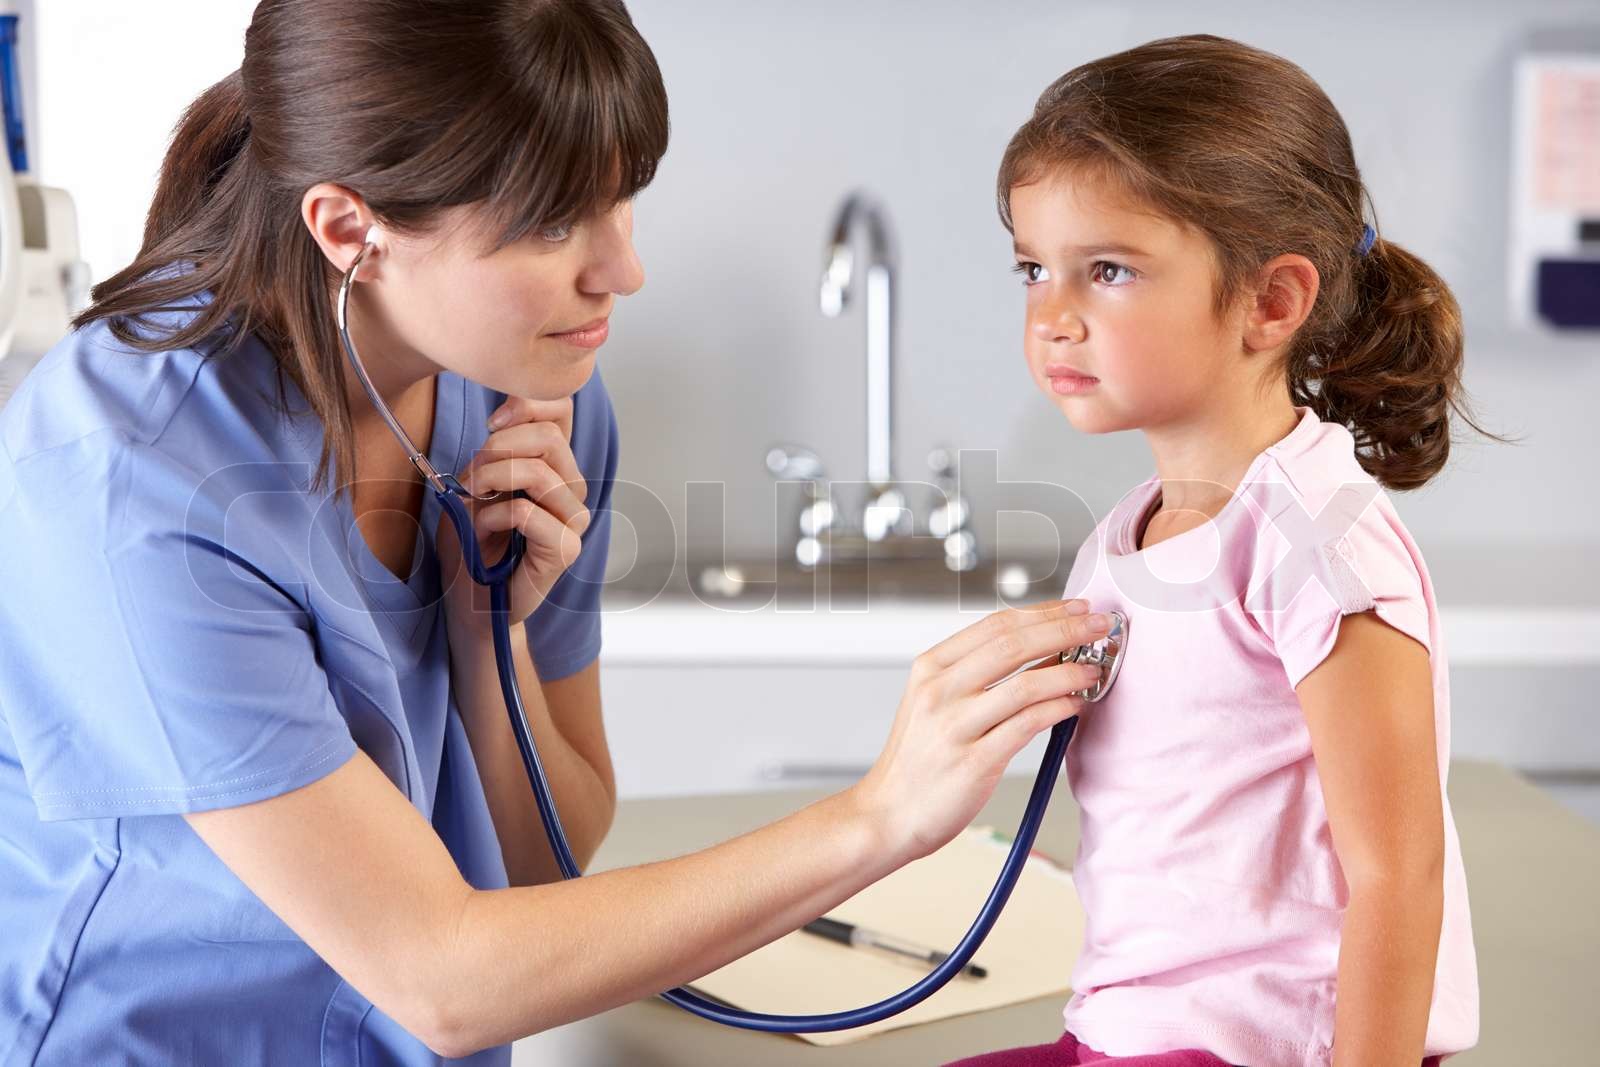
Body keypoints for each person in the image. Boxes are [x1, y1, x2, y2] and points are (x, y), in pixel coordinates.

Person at [0, 2, 1114, 1062]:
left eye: (622, 199)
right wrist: (879, 818)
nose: (622, 269)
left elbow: (542, 862)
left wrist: (488, 634)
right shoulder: (132, 482)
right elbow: (444, 976)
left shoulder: (527, 394)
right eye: (549, 223)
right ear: (350, 229)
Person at [945, 35, 1509, 1067]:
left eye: (1107, 270)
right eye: (1033, 268)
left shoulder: (1318, 542)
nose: (1051, 316)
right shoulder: (1125, 538)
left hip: (1267, 1045)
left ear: (1271, 301)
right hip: (1130, 1033)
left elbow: (1400, 875)